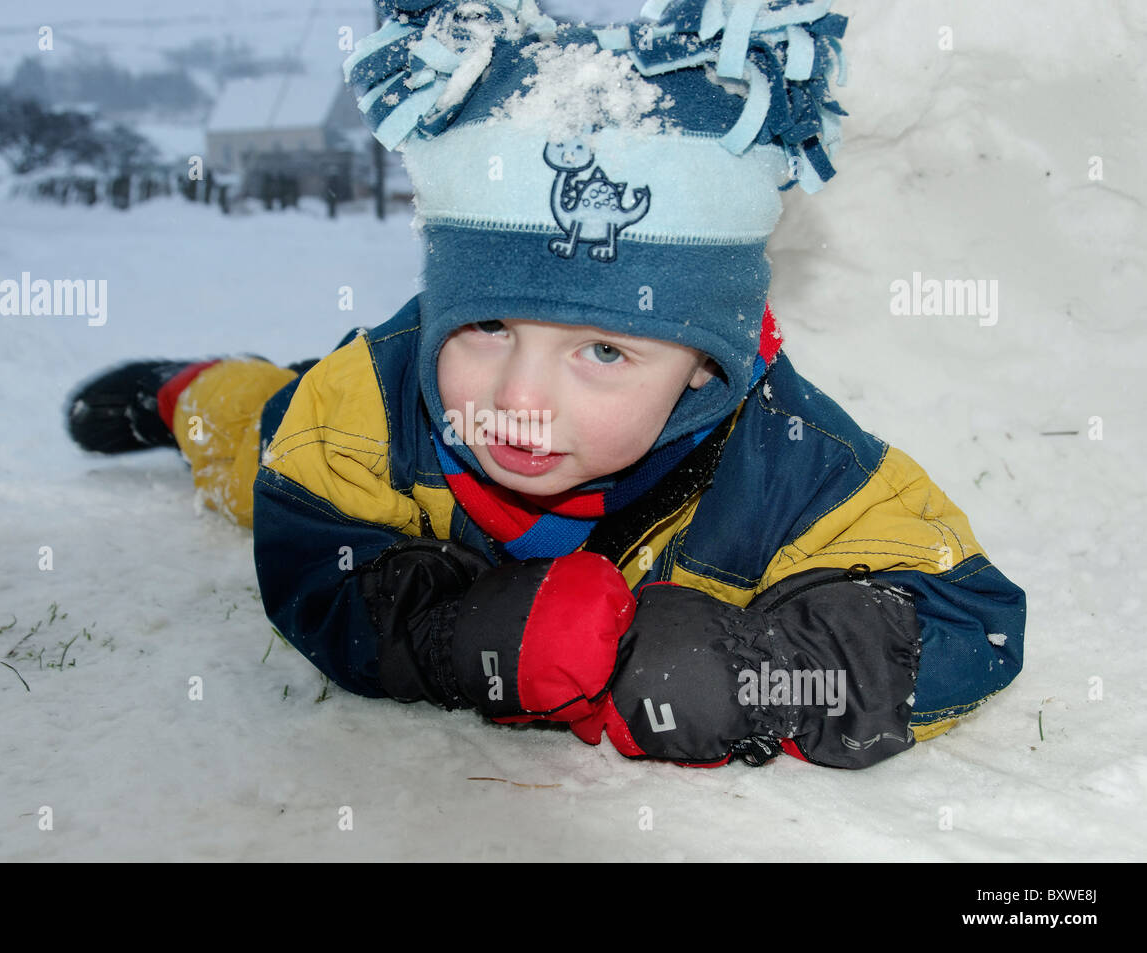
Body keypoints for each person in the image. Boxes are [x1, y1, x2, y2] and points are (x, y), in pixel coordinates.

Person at [65, 1, 1025, 769]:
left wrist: (758, 677)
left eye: (604, 352)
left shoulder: (793, 458)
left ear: (704, 364)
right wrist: (461, 634)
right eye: (486, 326)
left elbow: (967, 620)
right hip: (305, 416)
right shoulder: (377, 394)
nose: (520, 395)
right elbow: (315, 552)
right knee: (254, 435)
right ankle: (189, 389)